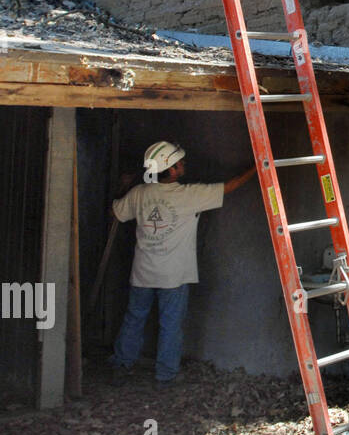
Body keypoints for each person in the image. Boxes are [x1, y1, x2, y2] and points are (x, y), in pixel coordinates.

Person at [109, 141, 255, 388]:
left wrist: (122, 187)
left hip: (142, 273)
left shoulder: (139, 193)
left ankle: (122, 364)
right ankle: (164, 377)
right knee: (171, 325)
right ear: (172, 169)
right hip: (173, 277)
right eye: (180, 162)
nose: (184, 164)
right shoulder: (189, 195)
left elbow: (116, 213)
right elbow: (231, 186)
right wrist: (258, 167)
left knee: (134, 317)